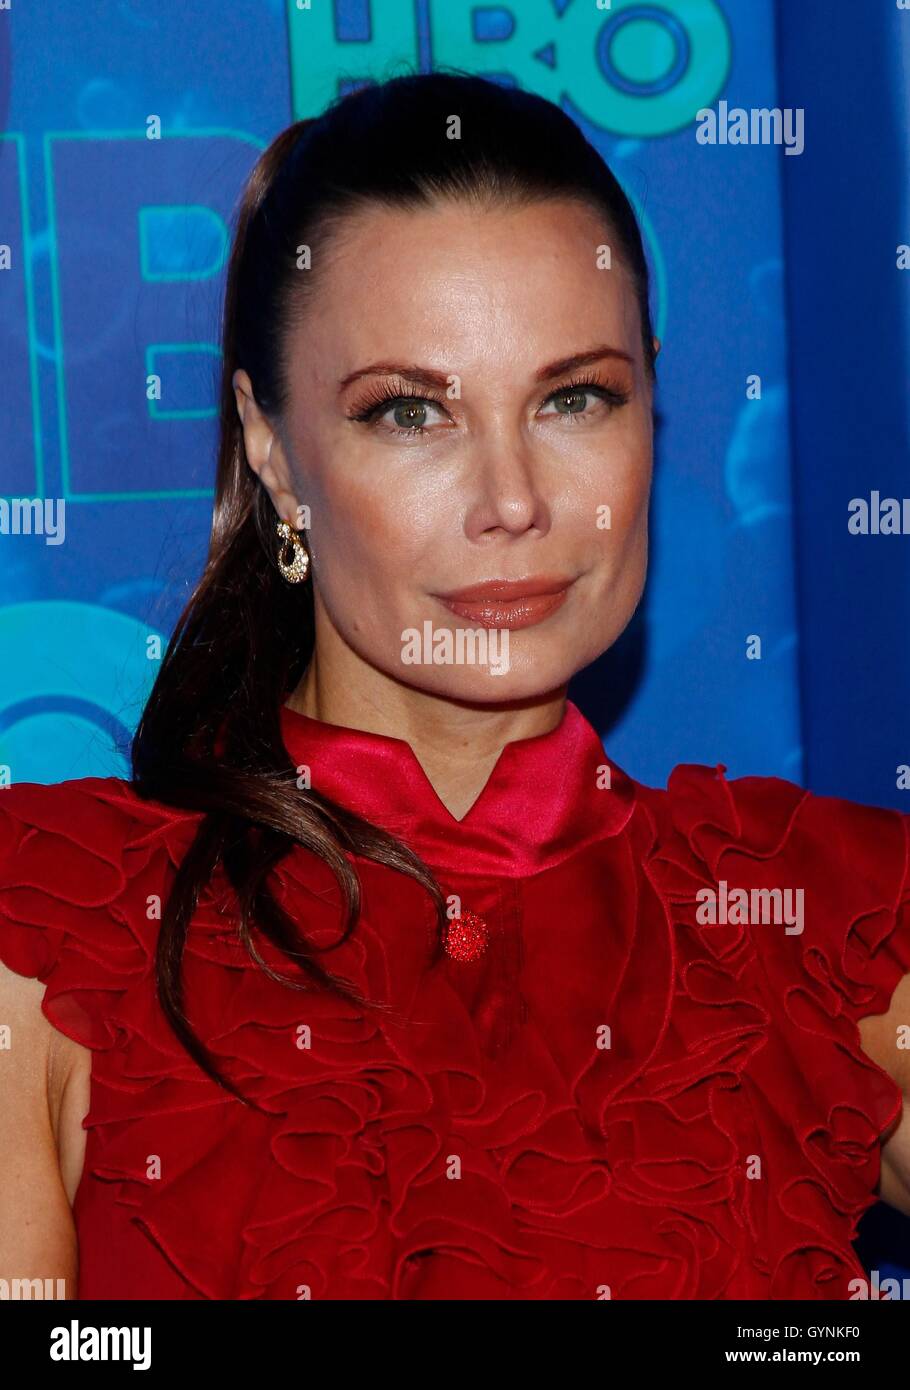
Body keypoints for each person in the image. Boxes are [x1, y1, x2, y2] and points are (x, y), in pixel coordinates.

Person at [1, 71, 908, 1302]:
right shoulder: (47, 933)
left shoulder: (820, 922)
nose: (515, 500)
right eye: (410, 412)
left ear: (653, 404)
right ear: (270, 447)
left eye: (574, 397)